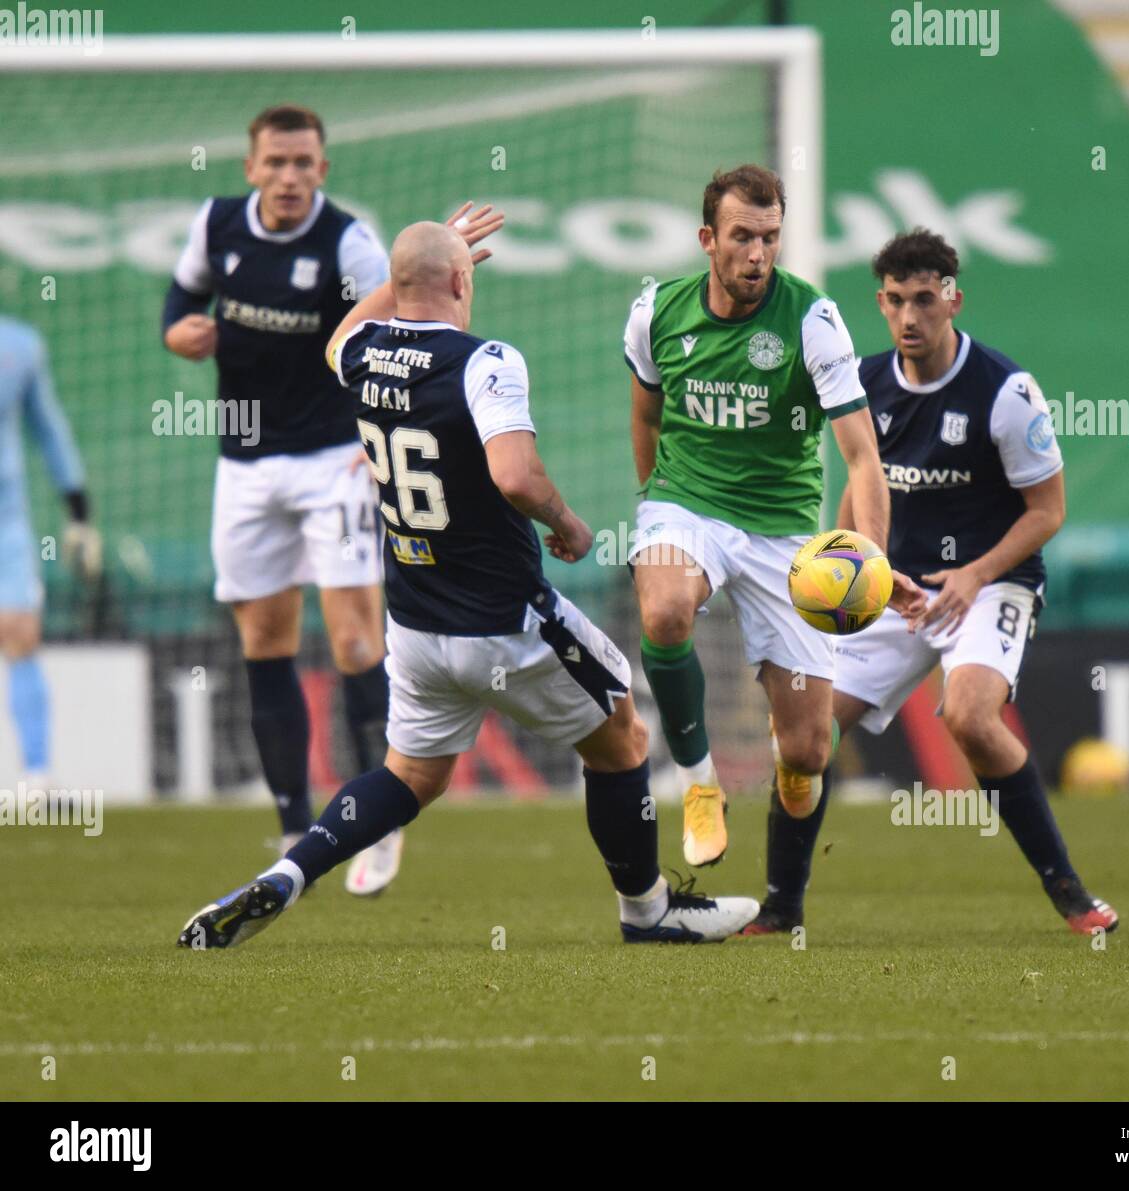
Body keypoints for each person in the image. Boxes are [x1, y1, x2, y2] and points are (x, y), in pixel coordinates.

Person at [176, 222, 759, 949]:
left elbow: (347, 332)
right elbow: (514, 474)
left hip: (417, 625)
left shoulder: (360, 353)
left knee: (410, 774)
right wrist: (569, 522)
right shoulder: (486, 361)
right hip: (505, 617)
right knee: (622, 738)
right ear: (460, 281)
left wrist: (418, 258)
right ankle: (648, 910)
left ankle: (289, 873)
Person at [162, 102, 501, 895]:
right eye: (275, 162)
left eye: (303, 162)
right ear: (250, 167)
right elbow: (175, 311)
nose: (288, 176)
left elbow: (390, 317)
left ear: (323, 168)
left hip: (331, 460)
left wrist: (438, 259)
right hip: (244, 465)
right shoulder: (215, 228)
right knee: (265, 641)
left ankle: (378, 823)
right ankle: (290, 825)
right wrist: (183, 333)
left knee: (354, 643)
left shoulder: (346, 240)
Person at [747, 228, 1119, 936]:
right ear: (880, 304)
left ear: (954, 299)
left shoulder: (1007, 392)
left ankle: (1071, 892)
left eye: (924, 299)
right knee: (804, 737)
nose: (909, 317)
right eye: (895, 301)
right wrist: (867, 578)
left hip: (990, 581)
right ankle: (781, 907)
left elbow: (1049, 511)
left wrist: (973, 577)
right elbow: (858, 498)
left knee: (970, 716)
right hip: (895, 584)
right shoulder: (864, 383)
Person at [623, 164, 924, 868]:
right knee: (664, 610)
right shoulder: (655, 313)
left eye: (770, 237)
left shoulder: (812, 320)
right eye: (741, 237)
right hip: (686, 502)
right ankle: (699, 783)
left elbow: (863, 458)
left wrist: (870, 560)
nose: (757, 253)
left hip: (783, 529)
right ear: (707, 239)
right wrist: (653, 506)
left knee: (808, 753)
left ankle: (788, 761)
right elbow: (645, 410)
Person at [0, 315, 100, 787]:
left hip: (7, 519)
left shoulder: (19, 346)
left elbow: (48, 428)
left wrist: (77, 509)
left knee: (19, 632)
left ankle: (37, 774)